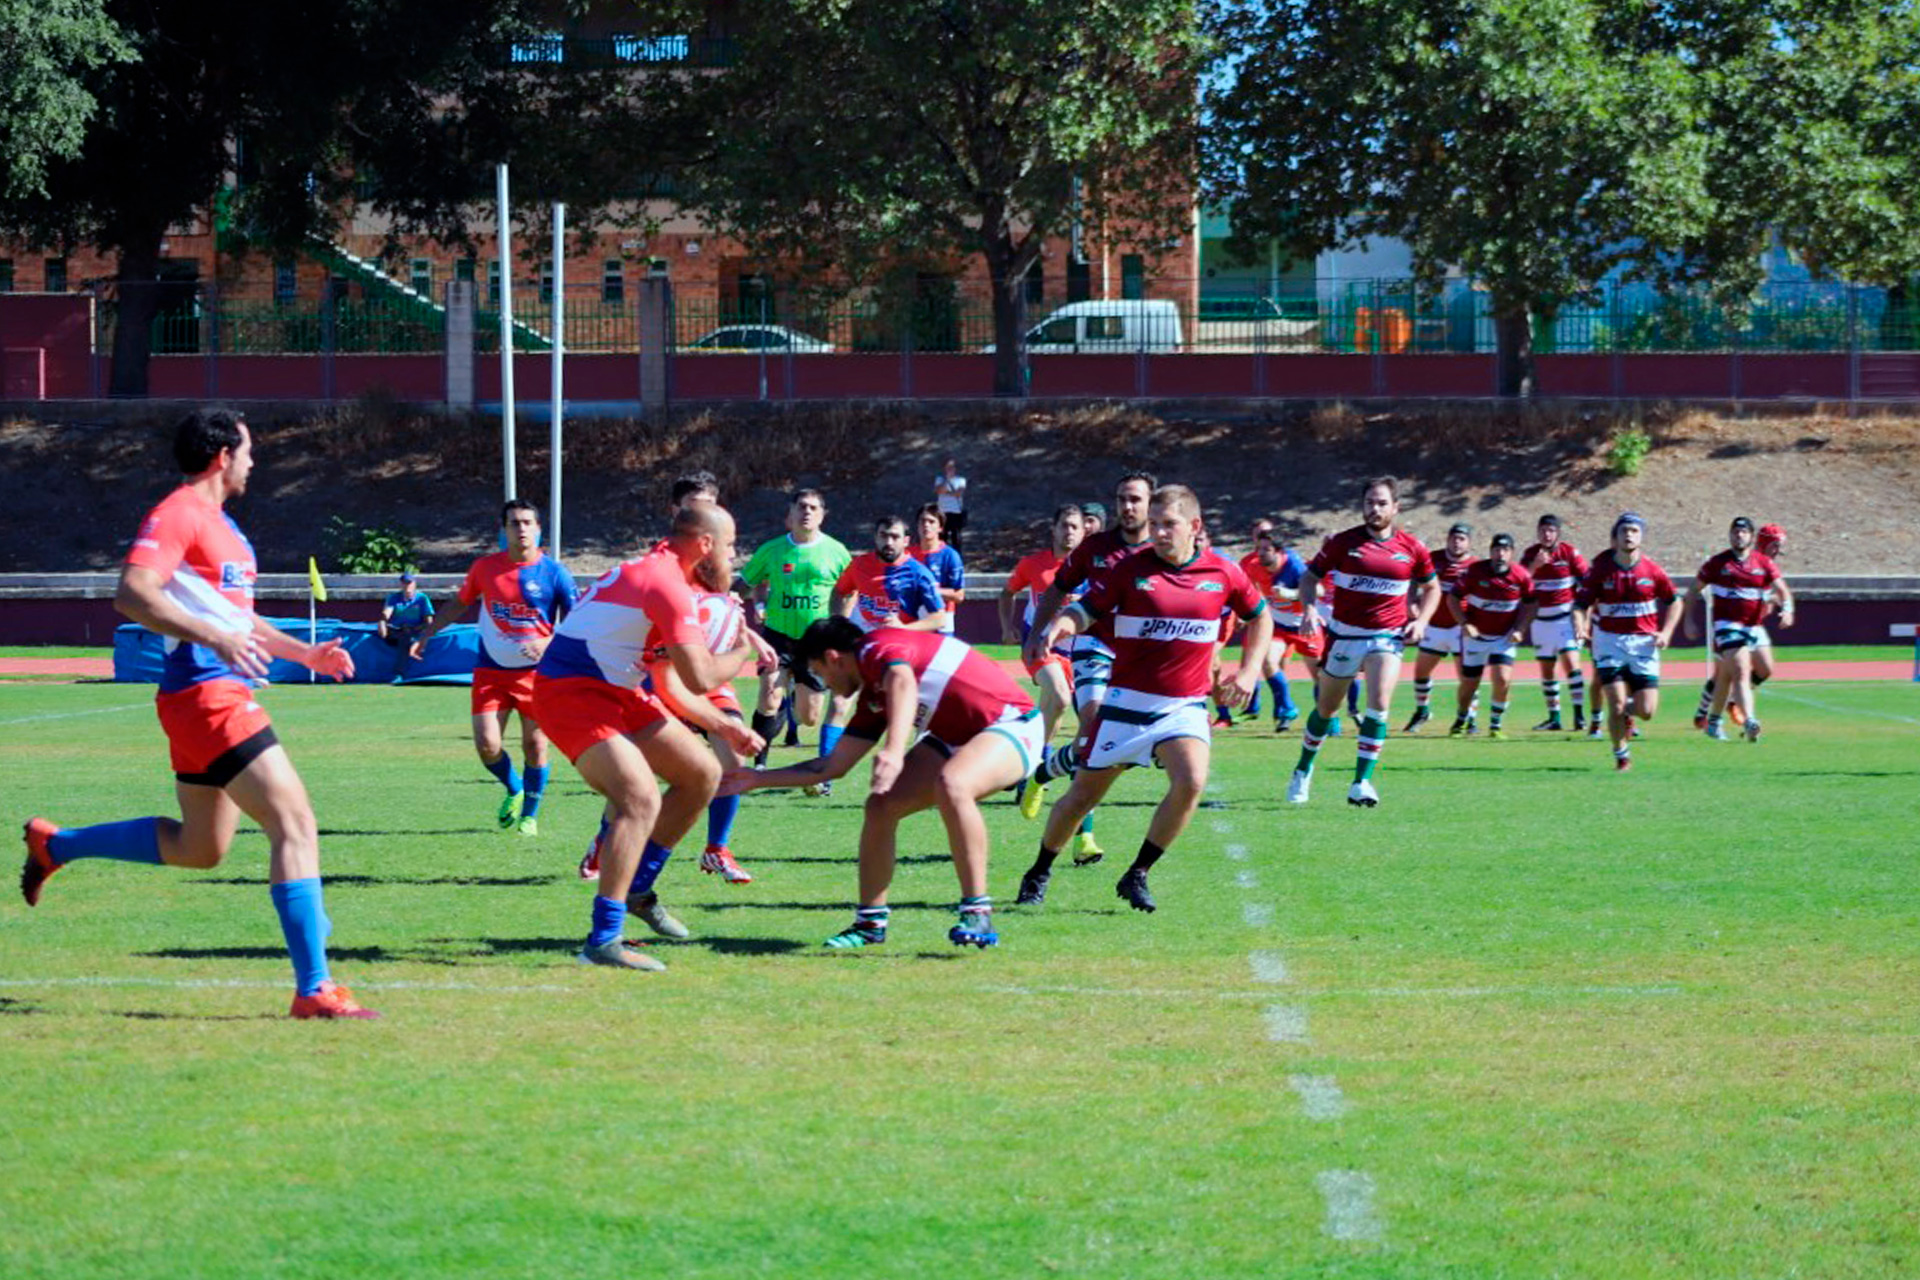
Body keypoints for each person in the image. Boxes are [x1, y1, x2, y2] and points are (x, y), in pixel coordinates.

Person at [20, 409, 376, 1018]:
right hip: (208, 696)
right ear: (221, 456)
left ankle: (58, 845)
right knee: (295, 824)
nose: (253, 461)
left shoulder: (224, 527)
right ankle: (314, 988)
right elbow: (133, 592)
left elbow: (238, 618)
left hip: (203, 699)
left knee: (200, 847)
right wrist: (212, 639)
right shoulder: (179, 512)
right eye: (248, 450)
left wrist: (305, 653)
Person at [532, 504, 769, 970]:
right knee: (640, 799)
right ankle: (603, 940)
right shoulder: (666, 584)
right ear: (705, 544)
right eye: (730, 544)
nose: (733, 554)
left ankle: (638, 888)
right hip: (571, 692)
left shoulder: (662, 575)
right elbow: (701, 676)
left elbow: (667, 684)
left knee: (702, 773)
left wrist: (723, 726)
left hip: (616, 691)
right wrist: (745, 647)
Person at [1015, 484, 1271, 913]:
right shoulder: (1131, 568)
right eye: (1154, 524)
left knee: (1190, 782)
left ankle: (1137, 873)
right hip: (1127, 704)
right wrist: (1063, 624)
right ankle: (1040, 869)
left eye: (1167, 524)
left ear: (1195, 526)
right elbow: (1088, 609)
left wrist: (1248, 671)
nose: (1158, 532)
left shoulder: (1223, 573)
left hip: (1183, 707)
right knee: (1081, 798)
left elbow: (1260, 617)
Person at [723, 616, 1041, 949]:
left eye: (819, 672)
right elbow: (831, 767)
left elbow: (903, 681)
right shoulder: (872, 696)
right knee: (880, 807)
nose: (825, 684)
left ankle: (978, 911)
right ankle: (870, 923)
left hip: (1013, 723)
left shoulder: (875, 647)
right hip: (956, 737)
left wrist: (894, 750)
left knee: (953, 784)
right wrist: (756, 779)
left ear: (834, 657)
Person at [406, 500, 575, 837]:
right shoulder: (485, 568)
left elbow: (580, 621)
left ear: (539, 529)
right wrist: (427, 633)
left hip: (538, 674)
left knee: (535, 746)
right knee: (487, 745)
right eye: (514, 523)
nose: (522, 528)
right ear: (504, 530)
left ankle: (529, 816)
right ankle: (515, 788)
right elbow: (459, 603)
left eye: (528, 522)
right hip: (490, 672)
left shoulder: (555, 573)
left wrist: (548, 642)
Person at [1019, 471, 1158, 863]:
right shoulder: (1096, 548)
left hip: (1139, 655)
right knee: (1095, 731)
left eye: (1135, 499)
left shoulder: (1163, 550)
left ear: (1151, 503)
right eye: (1121, 499)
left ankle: (1045, 771)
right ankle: (1084, 840)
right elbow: (1058, 589)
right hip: (1093, 646)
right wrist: (1036, 634)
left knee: (1119, 747)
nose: (1127, 507)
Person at [1286, 476, 1440, 808]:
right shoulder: (1343, 543)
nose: (1375, 508)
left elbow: (1433, 588)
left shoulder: (1412, 548)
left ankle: (1361, 782)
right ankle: (1303, 768)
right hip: (1344, 636)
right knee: (1327, 710)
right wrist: (1310, 609)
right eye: (1370, 502)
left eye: (1382, 503)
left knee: (1379, 704)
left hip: (1387, 637)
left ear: (1395, 507)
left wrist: (1423, 620)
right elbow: (1310, 577)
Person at [739, 489, 853, 782]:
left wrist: (841, 622)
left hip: (816, 641)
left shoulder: (837, 551)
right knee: (767, 699)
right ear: (789, 514)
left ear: (823, 514)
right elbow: (748, 582)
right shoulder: (772, 550)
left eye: (813, 507)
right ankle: (759, 764)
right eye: (801, 507)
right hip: (777, 635)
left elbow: (850, 589)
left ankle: (789, 697)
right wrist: (734, 601)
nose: (807, 512)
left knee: (809, 717)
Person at [1573, 512, 1683, 772]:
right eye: (1624, 531)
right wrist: (1580, 625)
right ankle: (1621, 755)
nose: (1629, 535)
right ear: (1617, 536)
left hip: (1643, 645)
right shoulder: (1601, 569)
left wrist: (1666, 632)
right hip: (1609, 643)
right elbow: (1580, 605)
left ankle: (1626, 718)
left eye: (1634, 530)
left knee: (1646, 710)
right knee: (1616, 702)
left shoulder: (1652, 570)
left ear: (1641, 536)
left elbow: (1675, 601)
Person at [1683, 517, 1791, 742]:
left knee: (1759, 670)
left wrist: (1787, 609)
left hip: (1753, 627)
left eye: (1743, 532)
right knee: (1738, 670)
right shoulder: (1717, 563)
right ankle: (1749, 719)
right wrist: (1688, 620)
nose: (1739, 535)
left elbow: (1783, 590)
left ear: (1751, 537)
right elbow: (1693, 590)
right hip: (1727, 626)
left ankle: (1714, 719)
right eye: (1735, 532)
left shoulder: (1763, 563)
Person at [999, 503, 1086, 747]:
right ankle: (1033, 759)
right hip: (1038, 644)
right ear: (1054, 530)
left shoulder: (1093, 568)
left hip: (1076, 650)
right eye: (1064, 526)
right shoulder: (1032, 564)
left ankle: (1032, 758)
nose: (1069, 531)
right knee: (1059, 696)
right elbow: (1007, 594)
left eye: (1074, 527)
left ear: (1083, 533)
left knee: (1055, 705)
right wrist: (1007, 628)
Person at [1453, 533, 1536, 738]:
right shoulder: (1475, 572)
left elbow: (1532, 603)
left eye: (1505, 550)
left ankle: (1495, 725)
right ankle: (1461, 718)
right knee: (1469, 685)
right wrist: (1465, 623)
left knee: (1502, 679)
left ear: (1511, 553)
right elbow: (1452, 598)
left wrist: (1520, 629)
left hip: (1503, 638)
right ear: (1490, 551)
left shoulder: (1521, 576)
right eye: (1497, 550)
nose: (1500, 554)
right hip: (1475, 637)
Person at [1239, 521, 1316, 731]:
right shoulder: (1255, 565)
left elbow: (1318, 591)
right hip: (1278, 624)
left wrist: (1291, 594)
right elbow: (1249, 588)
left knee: (1321, 676)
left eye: (1266, 550)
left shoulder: (1295, 566)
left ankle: (1330, 720)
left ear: (1280, 552)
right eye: (1258, 549)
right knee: (1268, 662)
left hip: (1304, 625)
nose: (1260, 553)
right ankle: (1287, 709)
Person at [1520, 514, 1592, 732]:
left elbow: (1588, 587)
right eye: (1543, 530)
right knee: (1547, 669)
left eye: (1551, 530)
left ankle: (1579, 716)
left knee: (1571, 664)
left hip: (1565, 619)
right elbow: (1518, 583)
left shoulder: (1569, 553)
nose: (1547, 534)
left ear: (1558, 533)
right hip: (1540, 621)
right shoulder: (1531, 554)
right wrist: (1534, 566)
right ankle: (1554, 718)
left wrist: (1584, 622)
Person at [1404, 522, 1477, 733]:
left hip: (1459, 628)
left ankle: (1469, 717)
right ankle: (1422, 711)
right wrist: (1410, 602)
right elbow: (1413, 581)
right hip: (1434, 625)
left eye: (1462, 538)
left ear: (1469, 542)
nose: (1457, 542)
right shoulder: (1433, 559)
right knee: (1421, 671)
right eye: (1454, 537)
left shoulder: (1475, 566)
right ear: (1447, 539)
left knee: (1467, 676)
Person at [833, 515, 951, 634]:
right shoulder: (858, 565)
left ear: (906, 541)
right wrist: (840, 622)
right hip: (865, 643)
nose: (889, 542)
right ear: (876, 538)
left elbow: (939, 619)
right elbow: (839, 592)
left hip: (900, 644)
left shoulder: (919, 573)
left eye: (895, 537)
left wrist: (904, 629)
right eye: (883, 536)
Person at [910, 502, 966, 629]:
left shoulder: (949, 555)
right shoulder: (907, 555)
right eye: (922, 521)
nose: (926, 525)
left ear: (940, 527)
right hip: (912, 617)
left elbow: (959, 595)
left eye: (931, 521)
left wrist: (929, 590)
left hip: (942, 616)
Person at [379, 570, 434, 650]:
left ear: (414, 584)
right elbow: (386, 615)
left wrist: (422, 630)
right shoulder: (393, 597)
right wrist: (382, 623)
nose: (407, 586)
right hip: (397, 630)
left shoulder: (422, 598)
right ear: (401, 584)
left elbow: (429, 620)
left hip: (415, 630)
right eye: (404, 583)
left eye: (409, 583)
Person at [934, 458, 968, 553]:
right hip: (942, 512)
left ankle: (957, 557)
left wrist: (947, 492)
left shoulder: (960, 480)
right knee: (942, 536)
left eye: (952, 467)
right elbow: (939, 490)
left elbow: (958, 493)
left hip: (956, 512)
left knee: (956, 537)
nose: (950, 469)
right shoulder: (939, 479)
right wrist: (947, 481)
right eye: (948, 467)